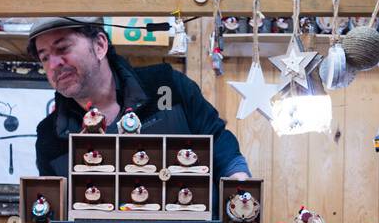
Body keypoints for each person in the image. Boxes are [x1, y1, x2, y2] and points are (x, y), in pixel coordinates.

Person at [30, 16, 251, 179]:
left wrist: (238, 184)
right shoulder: (50, 135)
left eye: (63, 48)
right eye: (45, 57)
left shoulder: (167, 85)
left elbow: (221, 145)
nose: (53, 64)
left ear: (99, 46)